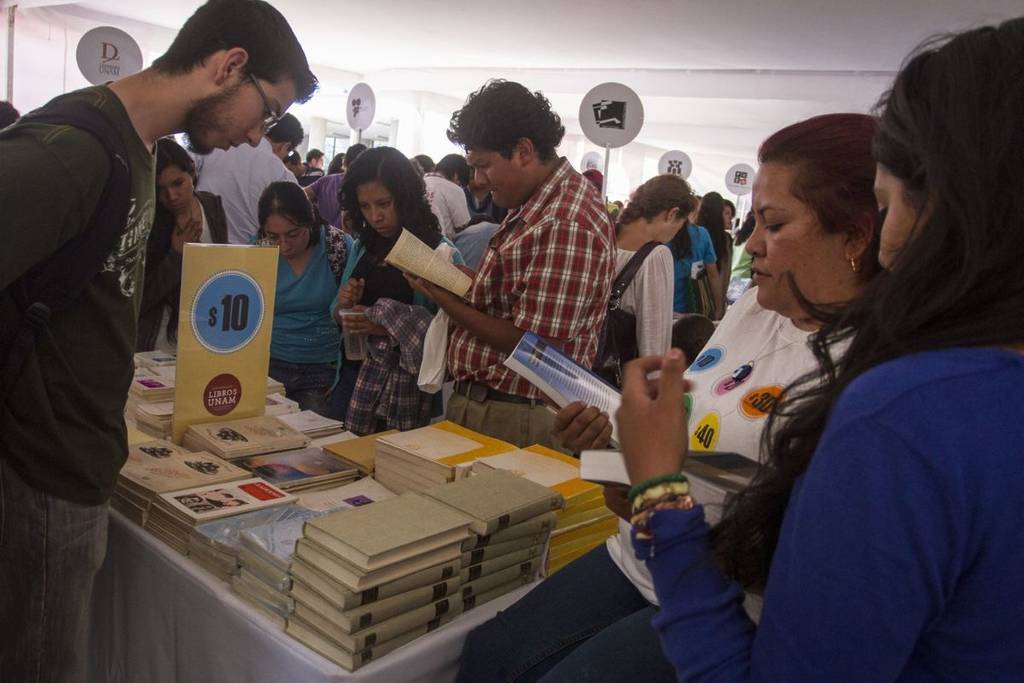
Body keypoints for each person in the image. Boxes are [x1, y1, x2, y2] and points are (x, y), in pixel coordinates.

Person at [615, 19, 1024, 680]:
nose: (889, 256)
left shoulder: (905, 414)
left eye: (889, 209)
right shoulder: (937, 397)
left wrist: (661, 492)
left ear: (950, 212)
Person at [457, 112, 882, 682]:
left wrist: (653, 483)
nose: (750, 243)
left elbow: (779, 546)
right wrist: (610, 452)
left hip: (722, 602)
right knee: (487, 655)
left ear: (855, 237)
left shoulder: (869, 372)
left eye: (774, 225)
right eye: (754, 219)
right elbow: (677, 460)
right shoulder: (755, 308)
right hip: (641, 554)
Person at [0, 0, 315, 679]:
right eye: (265, 112)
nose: (259, 137)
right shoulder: (77, 148)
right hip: (39, 467)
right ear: (230, 67)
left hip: (78, 460)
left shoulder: (137, 153)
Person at [408, 79, 615, 449]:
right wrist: (460, 280)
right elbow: (512, 300)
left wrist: (446, 299)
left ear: (523, 151)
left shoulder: (564, 221)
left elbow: (539, 348)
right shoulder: (535, 203)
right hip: (497, 408)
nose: (478, 181)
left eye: (484, 165)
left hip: (518, 416)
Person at [332, 146, 463, 430]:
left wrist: (385, 327)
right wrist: (343, 305)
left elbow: (452, 331)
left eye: (383, 204)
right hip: (353, 378)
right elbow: (337, 313)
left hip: (408, 390)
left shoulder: (436, 252)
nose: (375, 216)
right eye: (365, 207)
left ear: (405, 199)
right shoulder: (364, 247)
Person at [258, 182, 347, 417]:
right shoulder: (256, 252)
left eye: (293, 234)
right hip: (267, 366)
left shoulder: (337, 247)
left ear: (309, 221)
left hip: (324, 370)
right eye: (272, 236)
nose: (283, 245)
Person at [137, 137, 229, 352]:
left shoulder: (211, 205)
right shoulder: (149, 219)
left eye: (178, 183)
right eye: (161, 189)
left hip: (205, 327)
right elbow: (140, 298)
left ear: (192, 173)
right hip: (157, 337)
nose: (171, 196)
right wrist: (177, 255)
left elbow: (221, 264)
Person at [593, 175, 682, 385]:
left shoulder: (604, 234)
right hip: (618, 386)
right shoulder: (656, 255)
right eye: (678, 228)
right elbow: (654, 343)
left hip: (581, 373)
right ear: (672, 214)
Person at [192, 112, 304, 244]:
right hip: (249, 255)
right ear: (284, 146)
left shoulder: (217, 144)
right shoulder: (283, 176)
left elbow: (187, 166)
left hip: (200, 245)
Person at [669, 209, 723, 318]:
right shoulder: (702, 234)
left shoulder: (659, 236)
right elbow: (713, 275)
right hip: (695, 311)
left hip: (663, 312)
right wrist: (718, 308)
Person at [305, 142, 365, 228]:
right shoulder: (364, 188)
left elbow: (302, 195)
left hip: (321, 233)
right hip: (346, 238)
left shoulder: (326, 180)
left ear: (344, 162)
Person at [695, 190, 733, 313]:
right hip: (711, 301)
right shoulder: (724, 240)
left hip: (693, 298)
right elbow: (719, 275)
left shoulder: (695, 234)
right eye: (727, 213)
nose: (730, 219)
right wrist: (719, 306)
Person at [424, 153, 472, 239]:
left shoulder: (419, 182)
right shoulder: (454, 189)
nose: (459, 186)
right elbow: (464, 228)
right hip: (442, 247)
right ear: (456, 176)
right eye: (460, 183)